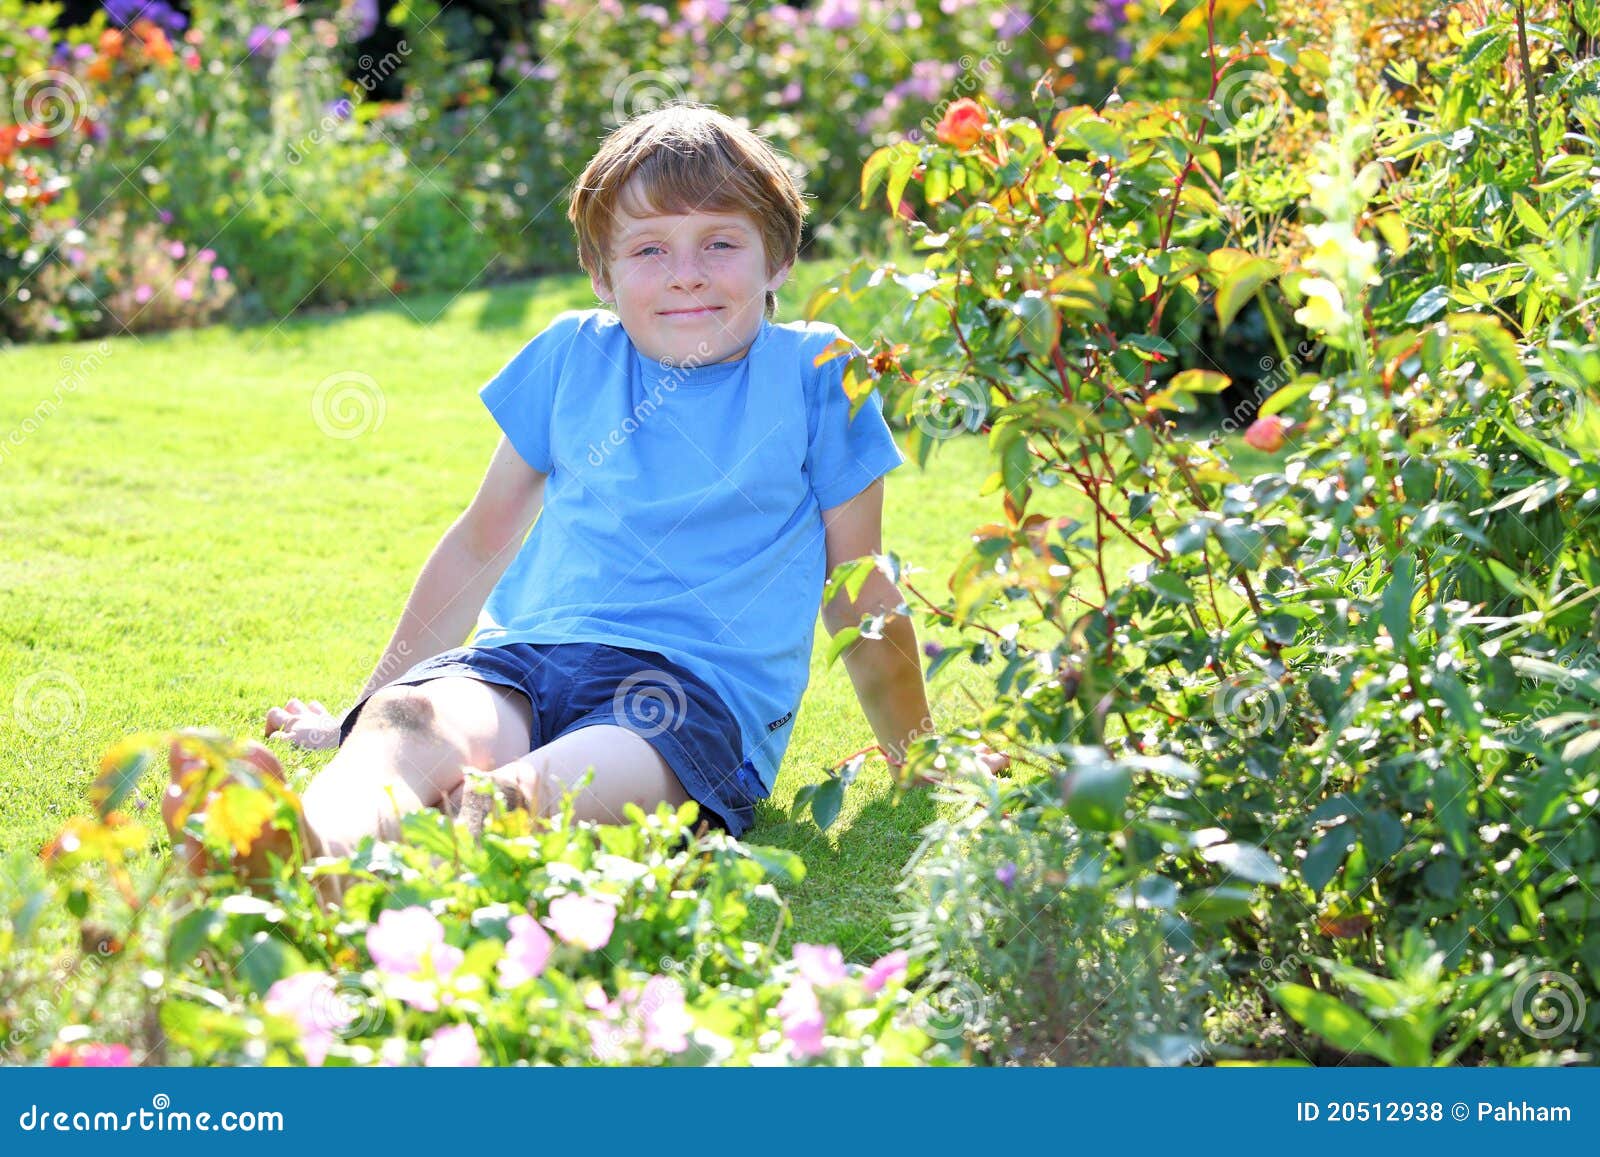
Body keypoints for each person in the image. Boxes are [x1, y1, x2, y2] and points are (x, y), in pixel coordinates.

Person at [182, 104, 1000, 870]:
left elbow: (857, 589)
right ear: (602, 274)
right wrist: (360, 708)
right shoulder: (572, 355)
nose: (686, 275)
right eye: (649, 250)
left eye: (720, 243)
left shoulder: (816, 371)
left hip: (686, 699)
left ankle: (412, 844)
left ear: (778, 258)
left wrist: (920, 756)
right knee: (412, 719)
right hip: (523, 662)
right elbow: (478, 542)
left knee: (538, 793)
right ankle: (301, 842)